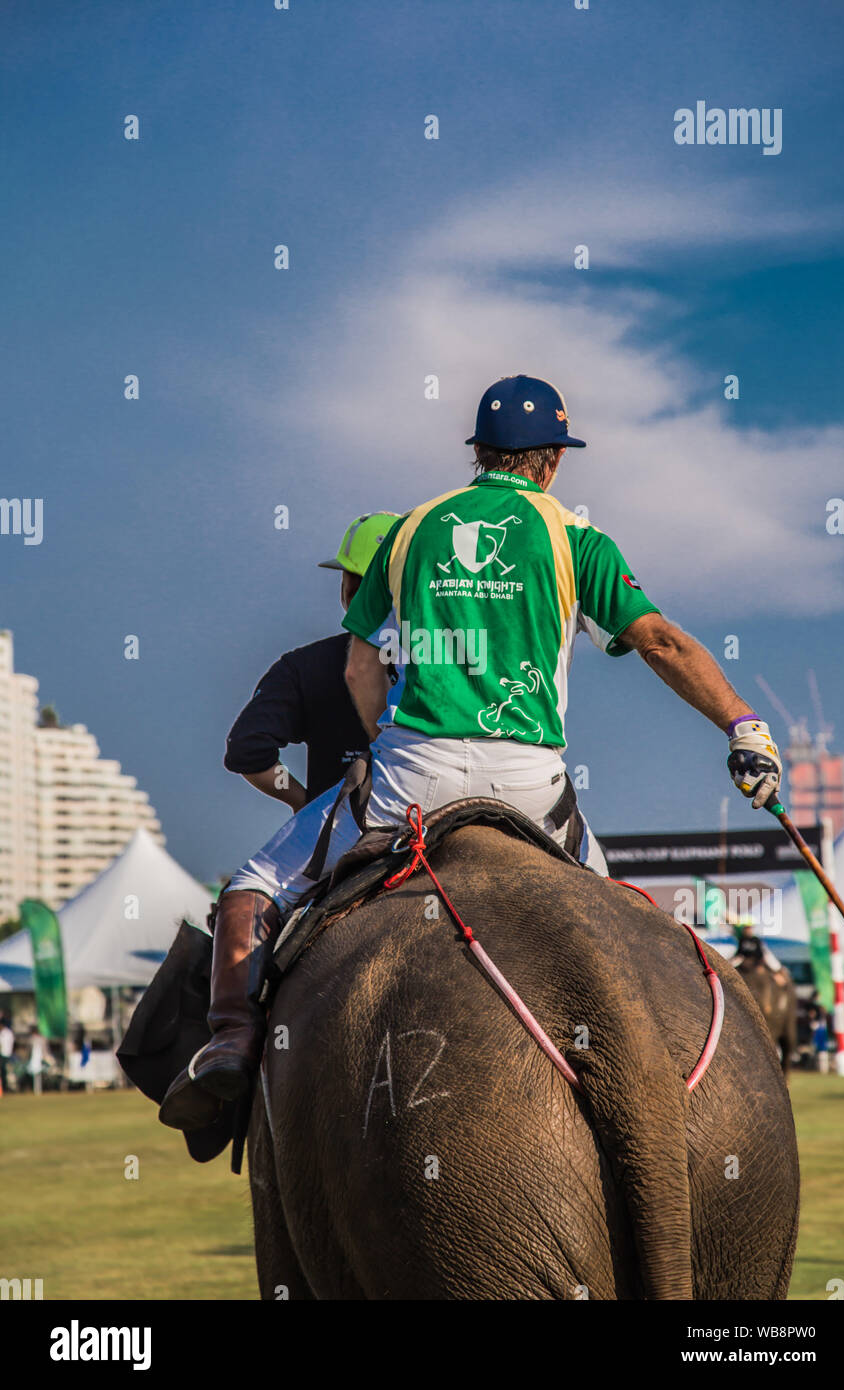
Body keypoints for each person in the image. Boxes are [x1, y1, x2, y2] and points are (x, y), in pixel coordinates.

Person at [160, 373, 784, 1132]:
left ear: (480, 452)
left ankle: (232, 1039)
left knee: (254, 886)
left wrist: (377, 751)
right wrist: (742, 726)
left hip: (411, 780)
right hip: (532, 787)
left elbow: (361, 667)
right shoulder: (574, 538)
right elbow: (659, 640)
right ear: (552, 460)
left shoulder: (412, 530)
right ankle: (654, 1074)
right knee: (624, 932)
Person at [224, 512, 399, 810]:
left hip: (342, 838)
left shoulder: (304, 667)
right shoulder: (453, 662)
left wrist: (306, 806)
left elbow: (247, 749)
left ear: (349, 588)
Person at [0, 1014, 14, 1094]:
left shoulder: (8, 1033)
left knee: (4, 1071)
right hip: (2, 1054)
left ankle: (4, 1088)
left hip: (5, 1054)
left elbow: (7, 1045)